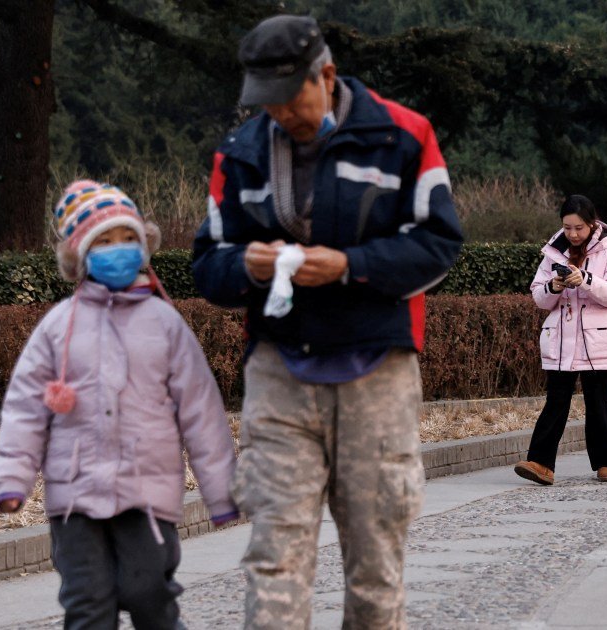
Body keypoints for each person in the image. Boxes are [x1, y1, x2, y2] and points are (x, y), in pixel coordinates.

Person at [191, 15, 463, 628]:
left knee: (375, 558)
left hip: (378, 372)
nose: (280, 113)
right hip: (279, 369)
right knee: (274, 556)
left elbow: (440, 248)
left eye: (291, 98)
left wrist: (349, 265)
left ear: (327, 75)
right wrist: (248, 266)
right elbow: (207, 265)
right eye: (267, 103)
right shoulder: (239, 154)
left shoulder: (402, 135)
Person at [0, 180, 238, 629]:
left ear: (144, 246)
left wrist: (220, 492)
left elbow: (200, 411)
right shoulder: (57, 328)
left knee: (149, 594)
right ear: (80, 255)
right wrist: (12, 478)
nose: (118, 249)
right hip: (76, 497)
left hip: (146, 495)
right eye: (103, 241)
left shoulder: (165, 323)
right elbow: (26, 408)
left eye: (128, 238)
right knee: (87, 603)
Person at [514, 195, 607, 485]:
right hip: (562, 340)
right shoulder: (553, 253)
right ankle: (540, 463)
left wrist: (587, 280)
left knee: (598, 402)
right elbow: (539, 297)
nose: (573, 234)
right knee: (556, 401)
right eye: (567, 228)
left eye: (578, 228)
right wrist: (553, 287)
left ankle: (605, 463)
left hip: (598, 340)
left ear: (591, 224)